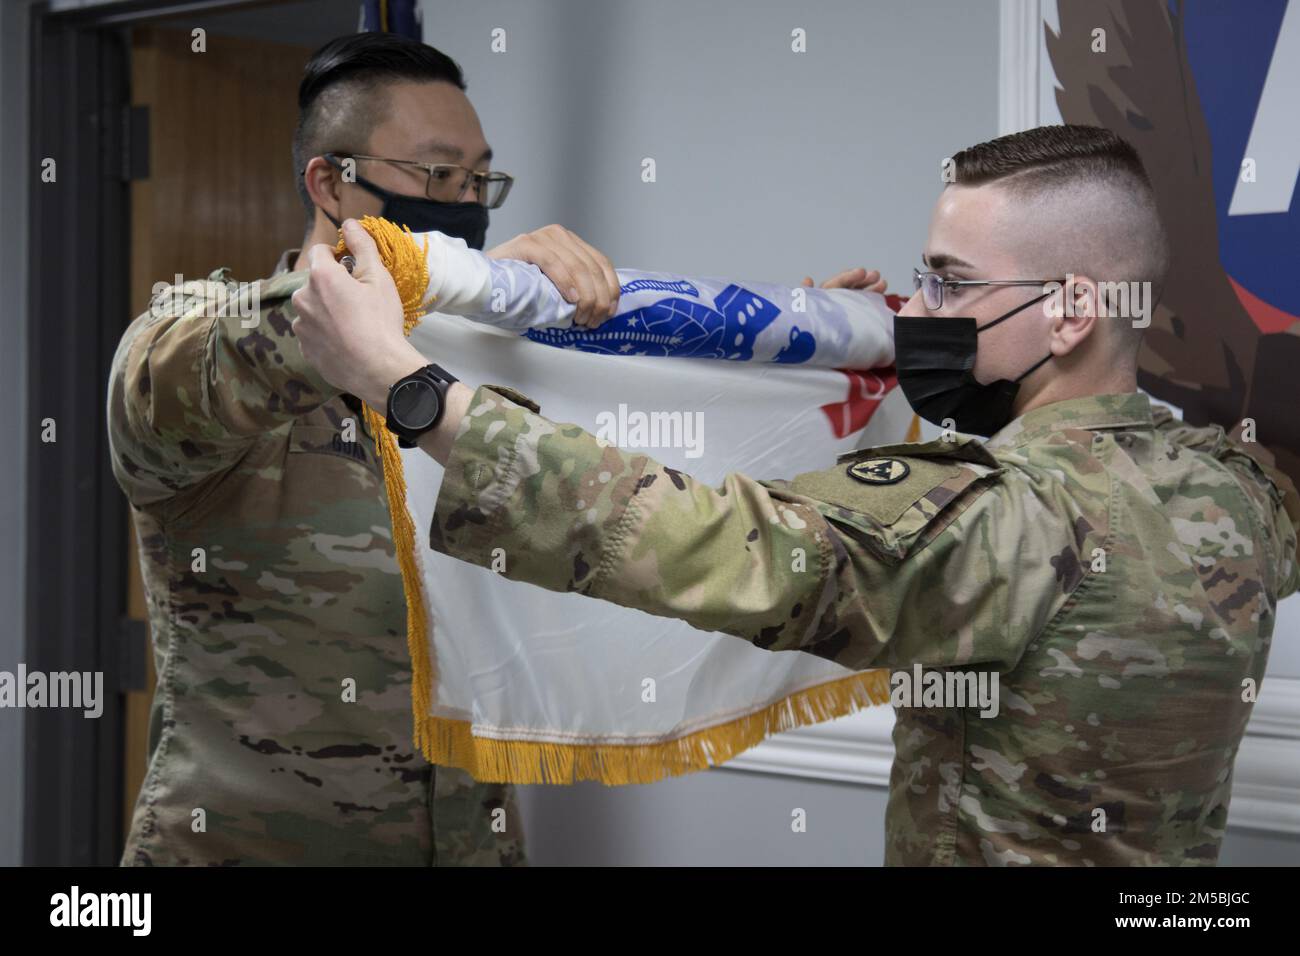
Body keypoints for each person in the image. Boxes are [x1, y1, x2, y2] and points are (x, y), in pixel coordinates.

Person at [291, 124, 1300, 866]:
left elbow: (708, 540)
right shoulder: (1235, 489)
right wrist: (803, 387)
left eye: (949, 282)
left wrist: (410, 389)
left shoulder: (1006, 515)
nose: (915, 312)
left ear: (1074, 309)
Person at [107, 32, 624, 866]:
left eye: (477, 179)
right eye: (435, 175)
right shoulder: (196, 337)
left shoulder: (474, 377)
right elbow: (245, 350)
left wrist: (793, 355)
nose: (464, 202)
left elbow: (625, 492)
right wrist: (455, 280)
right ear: (330, 182)